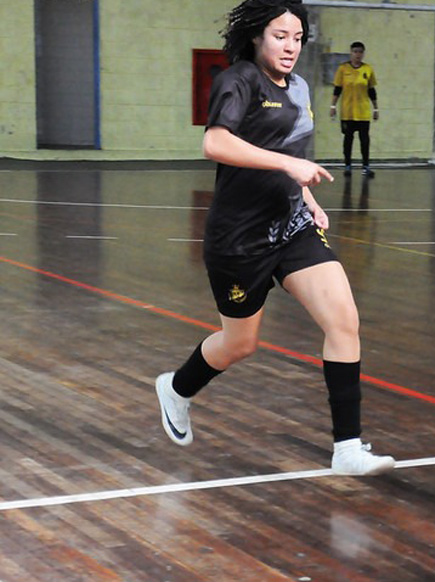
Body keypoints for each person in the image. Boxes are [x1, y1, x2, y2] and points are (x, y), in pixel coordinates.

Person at [154, 0, 395, 477]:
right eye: (280, 36)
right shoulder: (237, 80)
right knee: (239, 344)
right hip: (239, 240)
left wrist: (305, 196)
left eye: (297, 38)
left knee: (344, 321)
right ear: (258, 37)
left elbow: (291, 150)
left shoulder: (301, 87)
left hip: (292, 226)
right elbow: (215, 143)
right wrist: (288, 166)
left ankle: (346, 448)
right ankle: (177, 389)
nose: (290, 47)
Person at [330, 41, 378, 178]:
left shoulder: (367, 69)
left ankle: (366, 167)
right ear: (351, 53)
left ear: (363, 54)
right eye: (355, 52)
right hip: (347, 112)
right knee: (348, 140)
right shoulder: (343, 69)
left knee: (364, 141)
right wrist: (333, 106)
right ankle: (347, 166)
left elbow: (372, 90)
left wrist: (376, 109)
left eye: (360, 52)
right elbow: (337, 89)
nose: (357, 54)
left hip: (363, 113)